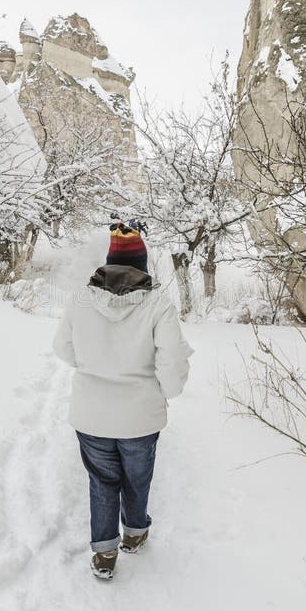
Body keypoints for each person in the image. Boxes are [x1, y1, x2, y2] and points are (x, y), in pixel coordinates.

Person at [52, 222, 193, 579]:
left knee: (102, 481)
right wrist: (167, 390)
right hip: (140, 417)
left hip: (91, 415)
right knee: (137, 478)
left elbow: (63, 350)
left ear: (109, 262)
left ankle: (104, 554)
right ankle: (134, 533)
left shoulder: (80, 301)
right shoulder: (159, 305)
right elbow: (172, 362)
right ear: (142, 266)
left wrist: (93, 367)